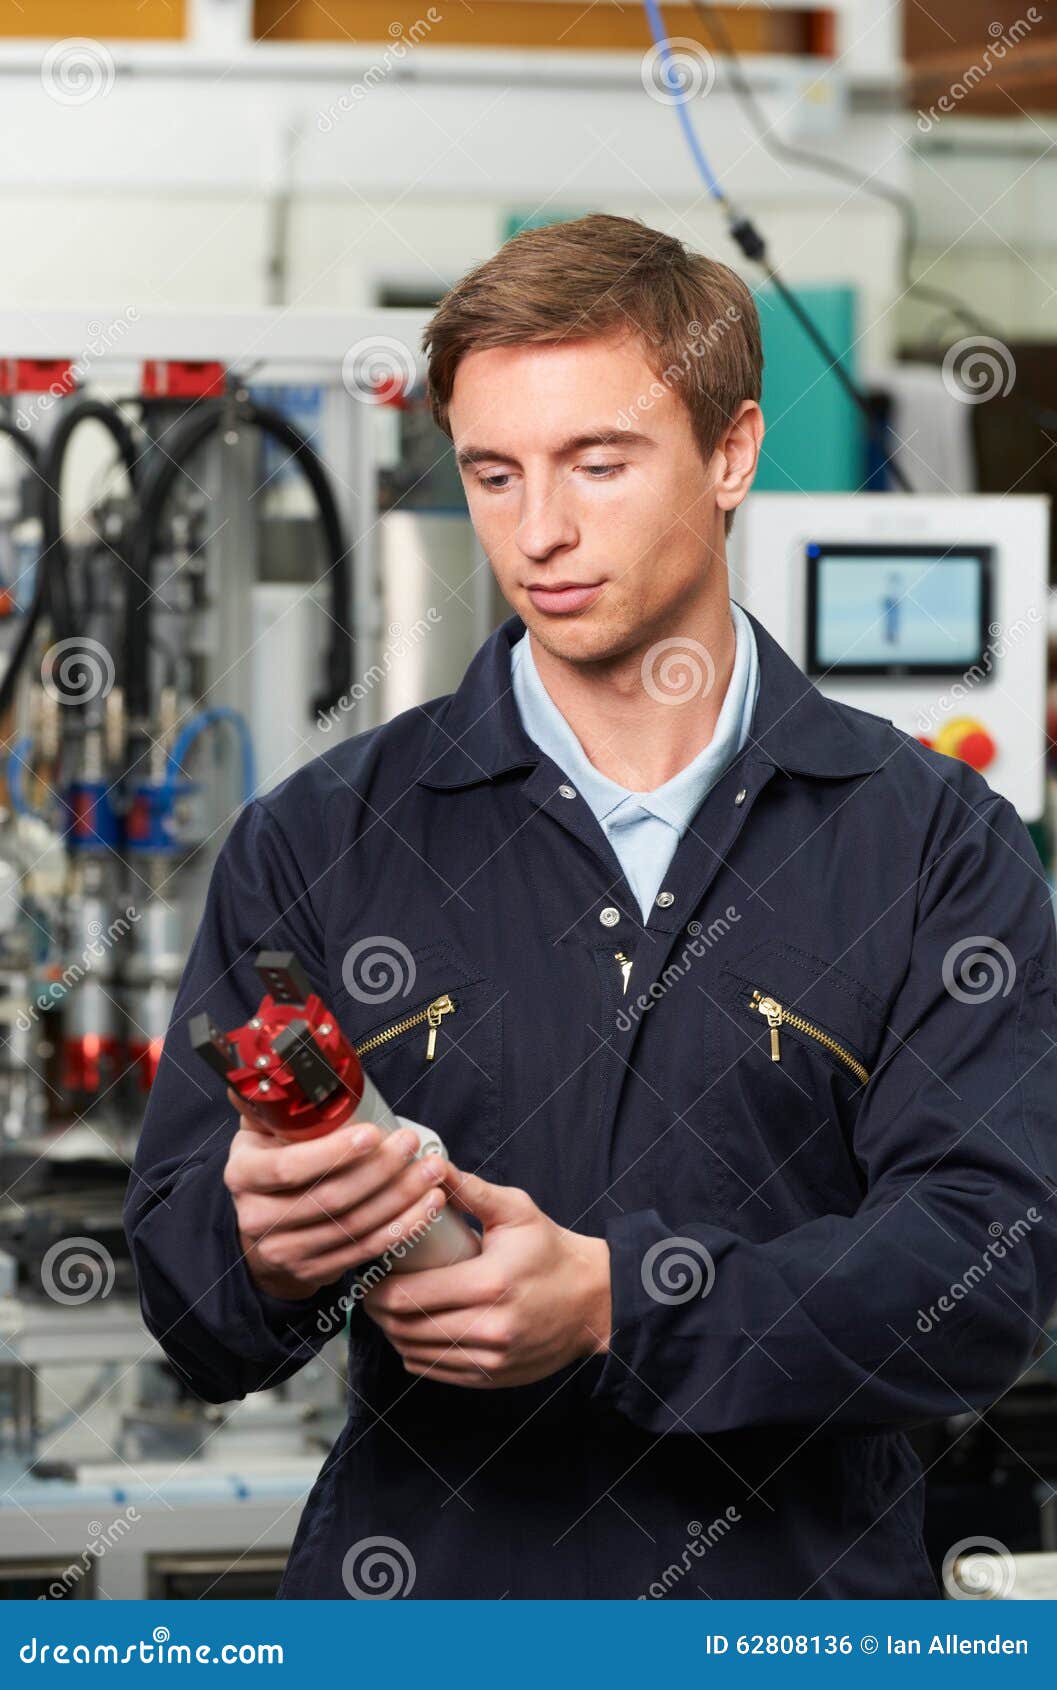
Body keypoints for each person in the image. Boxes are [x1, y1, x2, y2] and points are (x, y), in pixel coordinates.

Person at [125, 213, 1057, 1600]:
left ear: (731, 451)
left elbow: (982, 1275)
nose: (538, 531)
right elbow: (193, 1312)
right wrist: (259, 1246)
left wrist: (625, 1303)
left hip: (792, 1624)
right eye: (493, 474)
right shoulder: (326, 839)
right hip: (428, 1613)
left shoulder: (929, 844)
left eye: (597, 463)